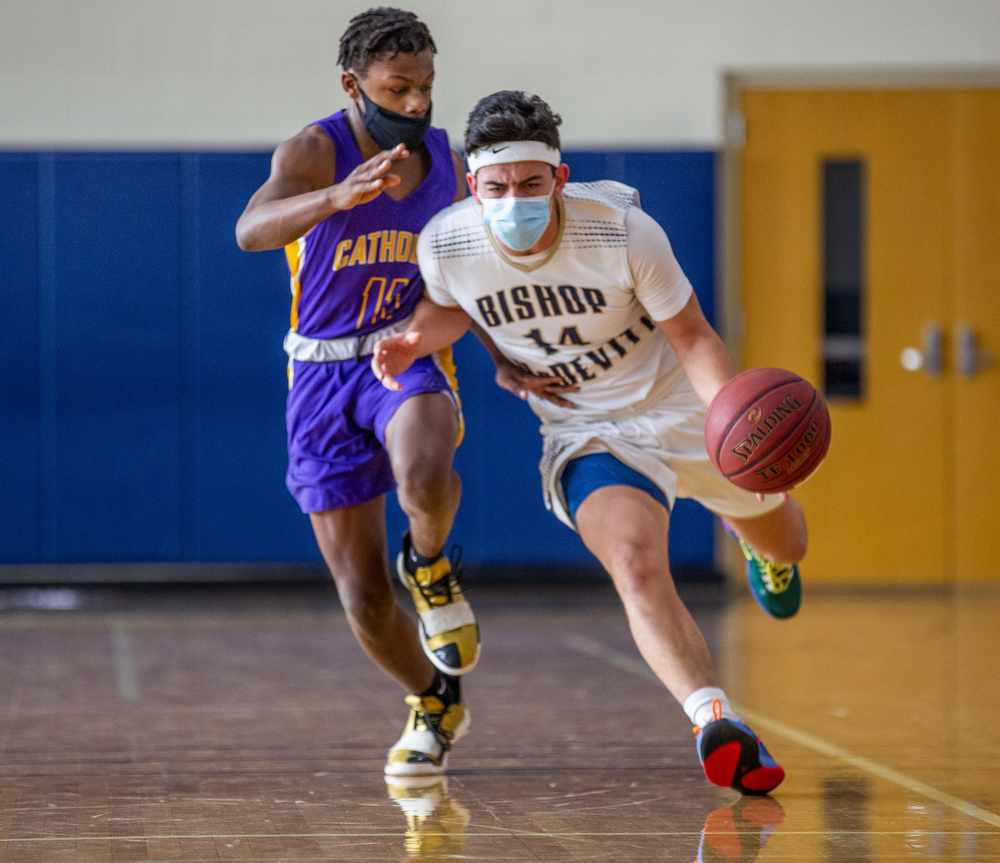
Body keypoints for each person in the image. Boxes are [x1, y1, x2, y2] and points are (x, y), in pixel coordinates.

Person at [371, 90, 810, 794]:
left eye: (530, 184)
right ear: (473, 185)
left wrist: (736, 424)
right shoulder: (446, 242)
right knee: (635, 564)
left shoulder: (624, 233)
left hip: (675, 402)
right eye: (496, 187)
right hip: (587, 425)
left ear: (560, 178)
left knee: (789, 539)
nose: (513, 199)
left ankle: (756, 537)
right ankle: (715, 721)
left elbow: (692, 334)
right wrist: (418, 338)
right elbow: (450, 307)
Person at [235, 7, 477, 777]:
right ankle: (434, 699)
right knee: (364, 595)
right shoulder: (314, 149)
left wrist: (506, 356)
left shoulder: (445, 158)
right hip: (318, 370)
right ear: (353, 85)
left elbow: (476, 274)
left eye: (426, 86)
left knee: (423, 470)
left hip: (401, 350)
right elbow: (251, 229)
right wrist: (333, 199)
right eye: (398, 87)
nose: (415, 102)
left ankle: (433, 566)